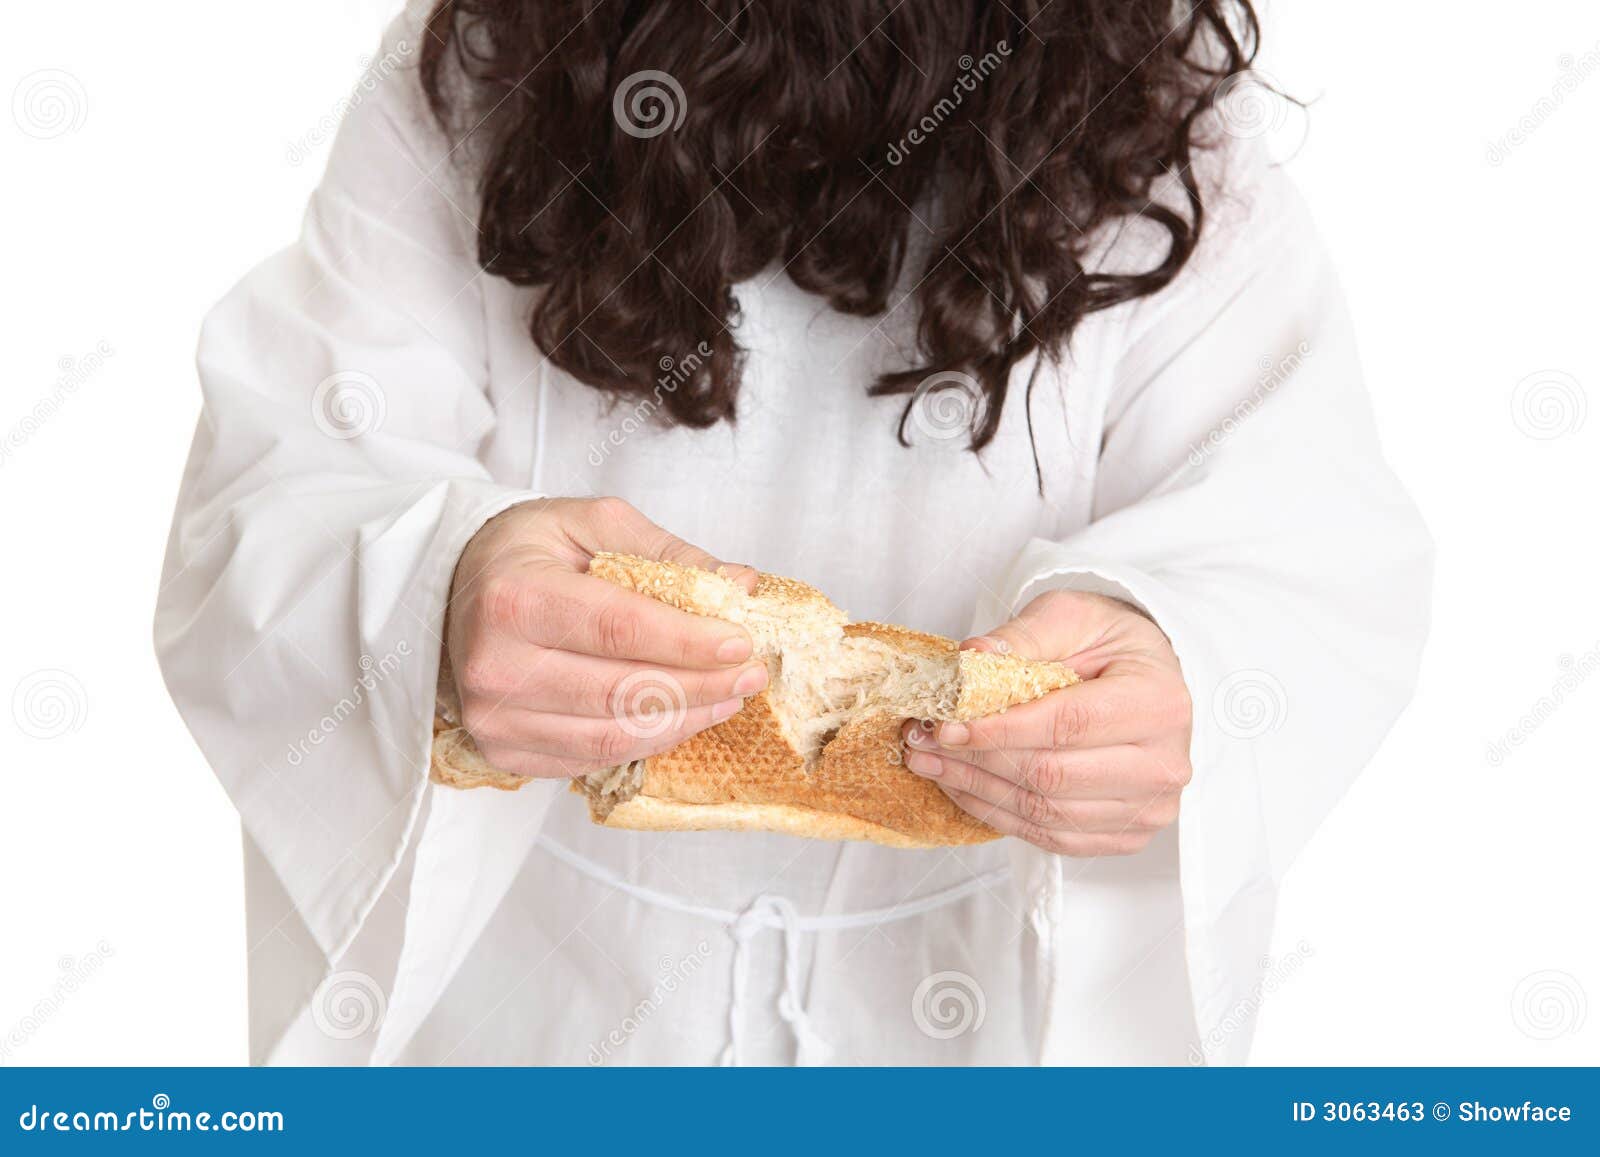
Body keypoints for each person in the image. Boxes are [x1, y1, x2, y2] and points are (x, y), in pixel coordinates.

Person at [154, 0, 1431, 1064]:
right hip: (539, 1027)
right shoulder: (487, 63)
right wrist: (444, 594)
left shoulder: (1163, 120)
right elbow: (282, 484)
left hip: (972, 1033)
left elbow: (1302, 543)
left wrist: (1174, 666)